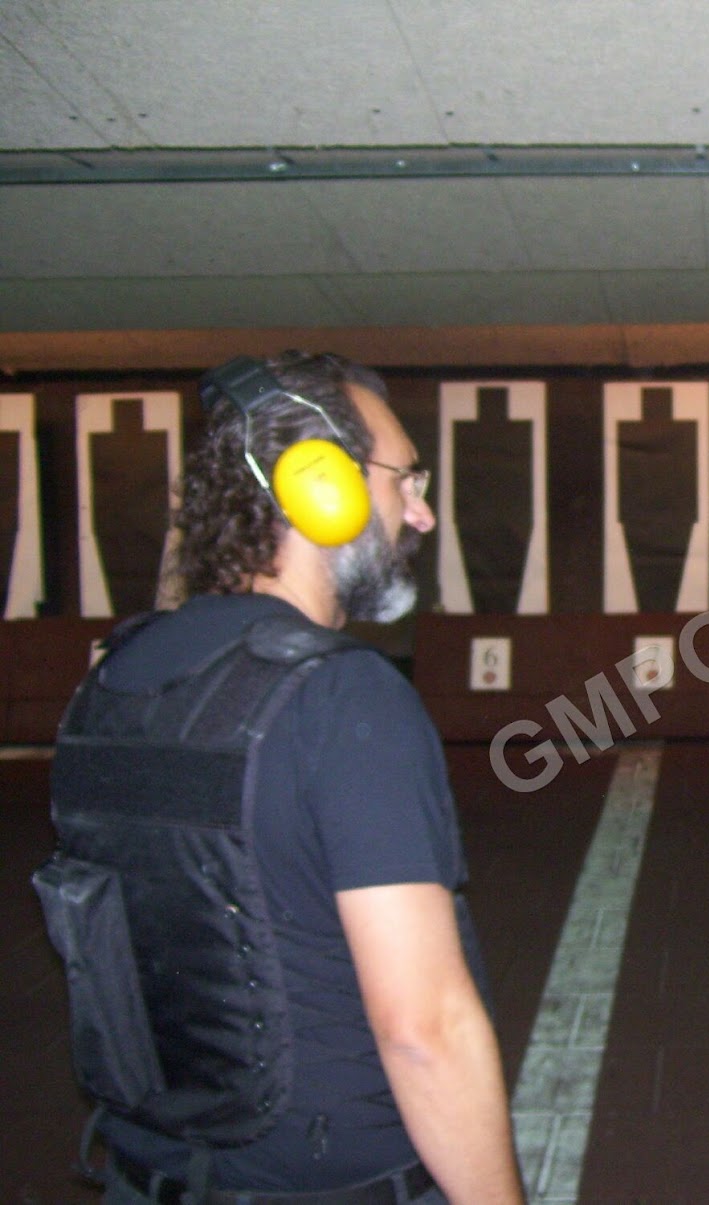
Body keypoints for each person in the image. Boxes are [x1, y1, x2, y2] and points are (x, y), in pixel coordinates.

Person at [40, 354, 524, 1203]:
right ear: (317, 485)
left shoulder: (111, 678)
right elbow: (425, 1031)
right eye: (405, 478)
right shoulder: (342, 695)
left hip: (146, 1174)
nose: (422, 512)